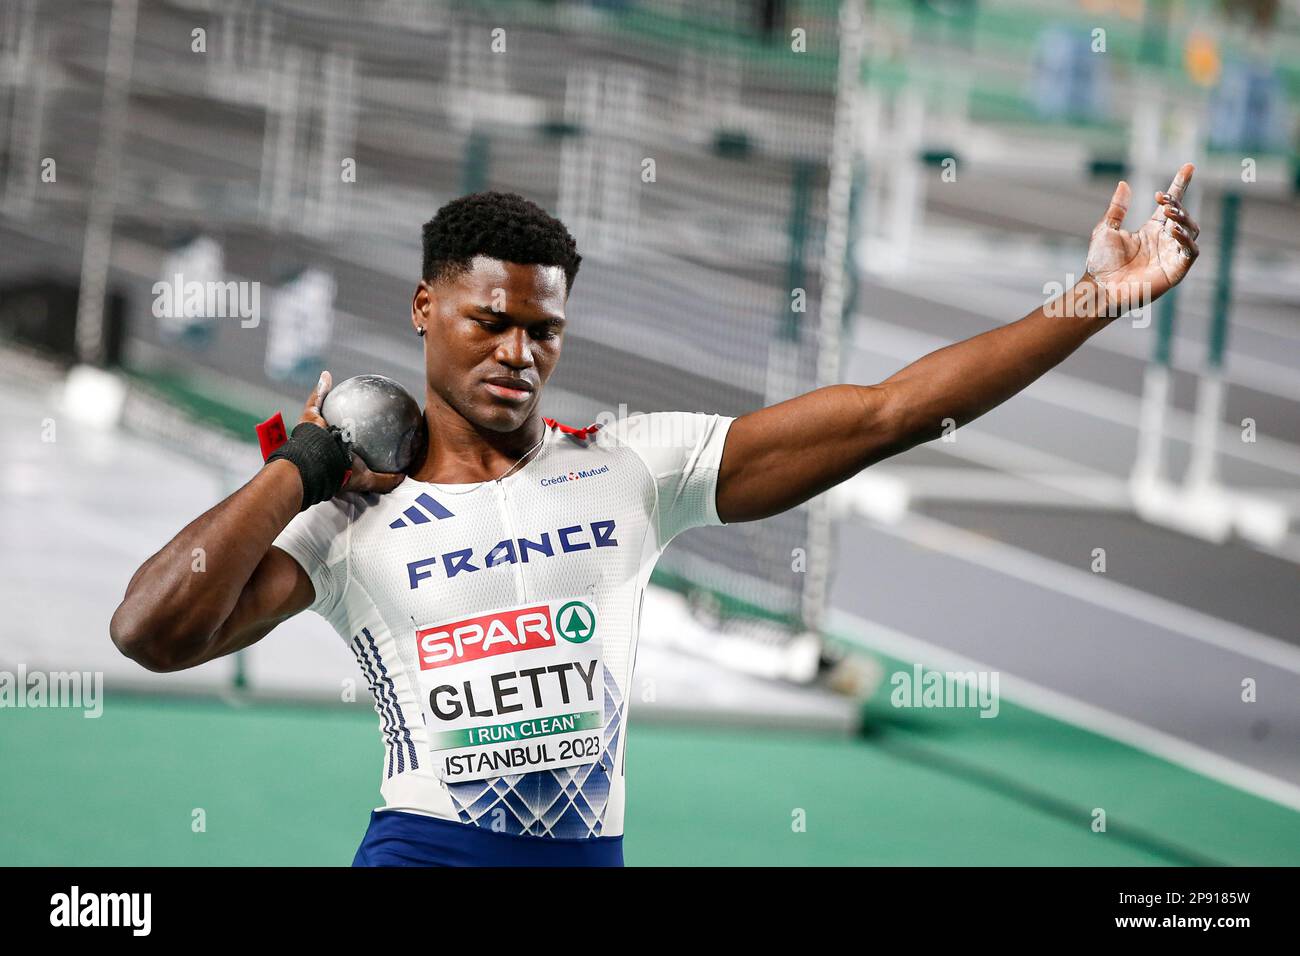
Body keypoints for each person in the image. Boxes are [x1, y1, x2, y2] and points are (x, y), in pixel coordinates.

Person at [110, 173, 1201, 866]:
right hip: (423, 851)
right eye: (491, 320)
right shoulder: (351, 516)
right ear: (424, 308)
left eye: (544, 330)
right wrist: (301, 464)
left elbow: (890, 413)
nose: (518, 353)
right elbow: (151, 633)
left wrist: (1090, 298)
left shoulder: (633, 465)